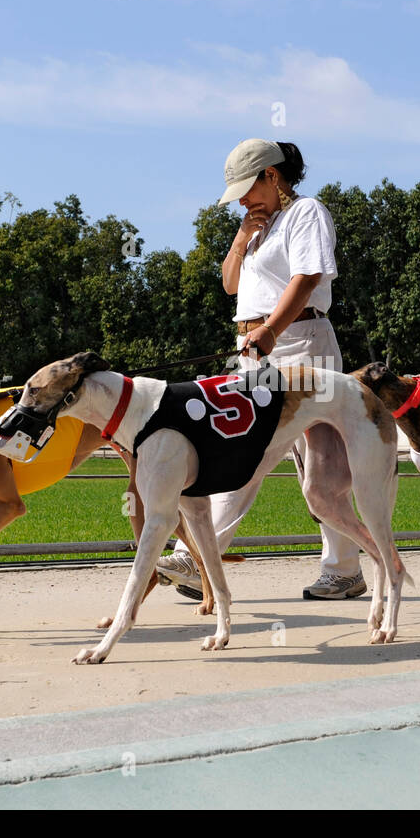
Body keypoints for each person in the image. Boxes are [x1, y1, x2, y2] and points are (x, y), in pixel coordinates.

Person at [156, 139, 366, 600]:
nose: (243, 201)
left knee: (251, 453)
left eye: (247, 189)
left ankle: (195, 558)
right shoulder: (258, 226)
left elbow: (307, 278)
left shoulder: (306, 212)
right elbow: (232, 286)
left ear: (273, 175)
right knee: (313, 468)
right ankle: (345, 570)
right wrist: (239, 241)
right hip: (257, 347)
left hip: (298, 344)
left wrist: (270, 329)